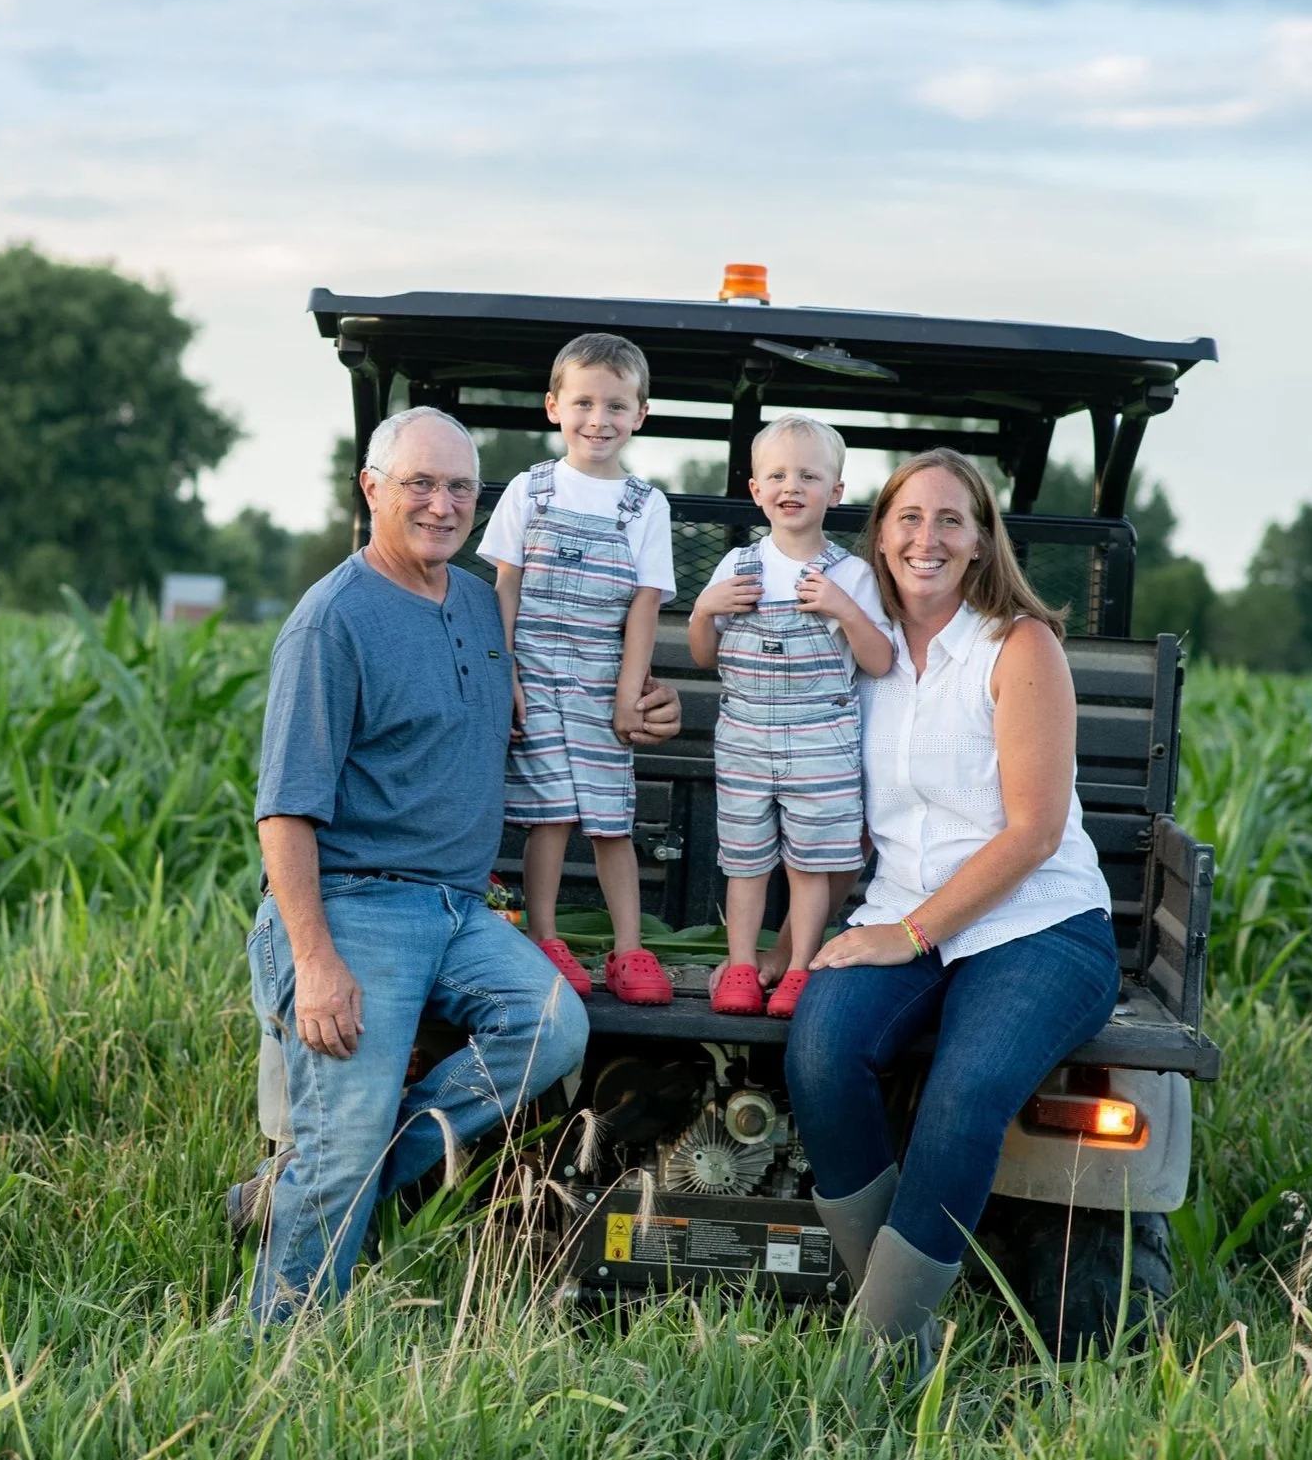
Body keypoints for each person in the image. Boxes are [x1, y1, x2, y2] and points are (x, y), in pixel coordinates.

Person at [246, 405, 684, 1321]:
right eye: (419, 483)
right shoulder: (332, 621)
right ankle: (276, 1348)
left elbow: (570, 680)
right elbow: (283, 811)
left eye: (459, 487)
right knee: (341, 1140)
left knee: (551, 1028)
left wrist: (646, 704)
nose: (441, 505)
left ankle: (339, 1175)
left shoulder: (481, 605)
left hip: (456, 909)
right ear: (371, 489)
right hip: (353, 905)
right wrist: (316, 961)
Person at [786, 448, 1120, 1376]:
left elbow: (1033, 830)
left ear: (979, 541)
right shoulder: (865, 650)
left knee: (962, 1095)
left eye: (948, 519)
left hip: (1038, 926)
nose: (925, 537)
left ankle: (868, 1367)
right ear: (880, 535)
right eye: (907, 517)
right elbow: (771, 720)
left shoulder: (1017, 646)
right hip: (903, 910)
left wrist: (910, 933)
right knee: (819, 1053)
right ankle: (904, 1329)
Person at [480, 333, 679, 1005]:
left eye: (616, 405)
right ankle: (545, 939)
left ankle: (629, 948)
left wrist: (627, 694)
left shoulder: (644, 504)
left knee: (610, 818)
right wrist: (505, 673)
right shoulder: (530, 489)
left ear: (640, 414)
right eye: (584, 403)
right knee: (550, 817)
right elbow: (506, 587)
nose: (599, 419)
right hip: (534, 677)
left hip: (600, 678)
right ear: (553, 407)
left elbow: (644, 605)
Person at [687, 416, 892, 1019]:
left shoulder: (851, 575)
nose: (791, 486)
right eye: (776, 475)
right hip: (745, 742)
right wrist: (701, 610)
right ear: (756, 490)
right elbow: (704, 656)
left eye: (808, 475)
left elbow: (879, 660)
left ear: (836, 491)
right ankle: (741, 967)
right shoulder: (735, 566)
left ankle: (799, 968)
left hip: (820, 745)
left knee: (809, 866)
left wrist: (845, 609)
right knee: (746, 864)